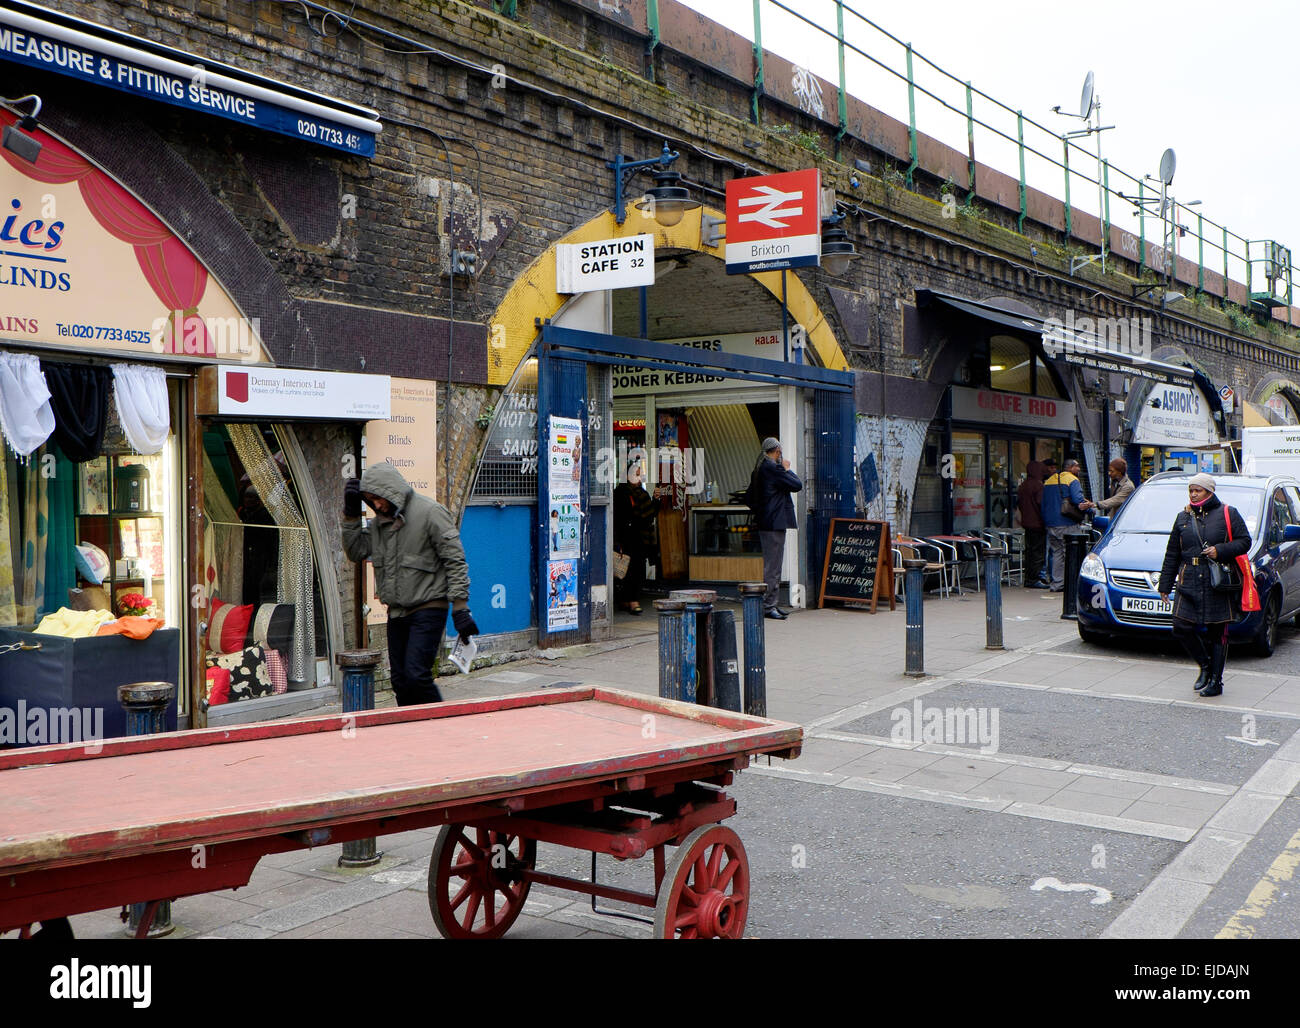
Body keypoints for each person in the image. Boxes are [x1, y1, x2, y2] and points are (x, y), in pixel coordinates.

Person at [342, 462, 476, 705]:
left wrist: (460, 608)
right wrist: (351, 516)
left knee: (417, 676)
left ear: (391, 491)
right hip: (397, 613)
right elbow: (355, 551)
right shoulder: (379, 525)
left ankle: (443, 724)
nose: (378, 505)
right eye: (371, 501)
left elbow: (455, 560)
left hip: (428, 607)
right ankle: (411, 732)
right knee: (400, 682)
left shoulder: (430, 513)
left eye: (379, 498)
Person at [1158, 474, 1250, 697]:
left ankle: (1216, 682)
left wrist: (1221, 551)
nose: (1193, 494)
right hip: (1188, 579)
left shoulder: (1228, 513)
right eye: (1191, 490)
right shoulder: (1182, 517)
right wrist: (1165, 585)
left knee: (1217, 633)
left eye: (1198, 490)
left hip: (1215, 581)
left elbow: (1244, 541)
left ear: (1209, 492)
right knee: (1181, 627)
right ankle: (1205, 666)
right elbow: (1172, 553)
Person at [751, 436, 802, 620]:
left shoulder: (759, 468)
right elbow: (797, 485)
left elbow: (750, 496)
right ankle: (768, 606)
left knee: (773, 565)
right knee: (773, 567)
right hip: (774, 523)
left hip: (766, 522)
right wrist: (788, 469)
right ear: (777, 451)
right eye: (780, 451)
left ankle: (771, 604)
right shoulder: (773, 468)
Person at [612, 459, 657, 614]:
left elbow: (649, 516)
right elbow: (619, 518)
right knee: (628, 570)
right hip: (626, 537)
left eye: (640, 475)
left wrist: (656, 501)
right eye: (637, 475)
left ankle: (628, 599)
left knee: (635, 569)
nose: (639, 479)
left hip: (639, 537)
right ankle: (631, 600)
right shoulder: (620, 493)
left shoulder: (642, 493)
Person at [1042, 457, 1087, 592]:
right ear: (1070, 467)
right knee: (1072, 553)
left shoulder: (1049, 481)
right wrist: (1091, 507)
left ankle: (1057, 583)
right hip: (1067, 522)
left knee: (1057, 553)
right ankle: (1072, 585)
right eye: (1077, 466)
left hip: (1051, 524)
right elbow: (1078, 500)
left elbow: (1043, 503)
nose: (1079, 469)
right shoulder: (1072, 480)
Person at [1017, 460, 1048, 588]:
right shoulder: (1038, 486)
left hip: (1027, 523)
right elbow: (1042, 504)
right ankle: (1034, 579)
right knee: (1038, 552)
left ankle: (1029, 577)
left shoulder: (1023, 485)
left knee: (1030, 552)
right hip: (1038, 523)